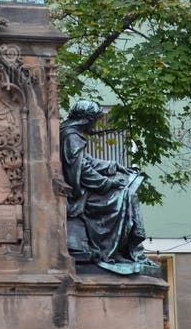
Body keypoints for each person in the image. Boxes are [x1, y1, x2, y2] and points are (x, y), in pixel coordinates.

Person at [59, 100, 158, 274]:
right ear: (86, 120)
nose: (95, 125)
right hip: (77, 196)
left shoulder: (71, 134)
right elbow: (82, 171)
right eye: (95, 120)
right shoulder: (71, 136)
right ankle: (117, 251)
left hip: (83, 191)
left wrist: (113, 166)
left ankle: (122, 250)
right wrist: (108, 183)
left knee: (126, 194)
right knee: (126, 197)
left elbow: (86, 161)